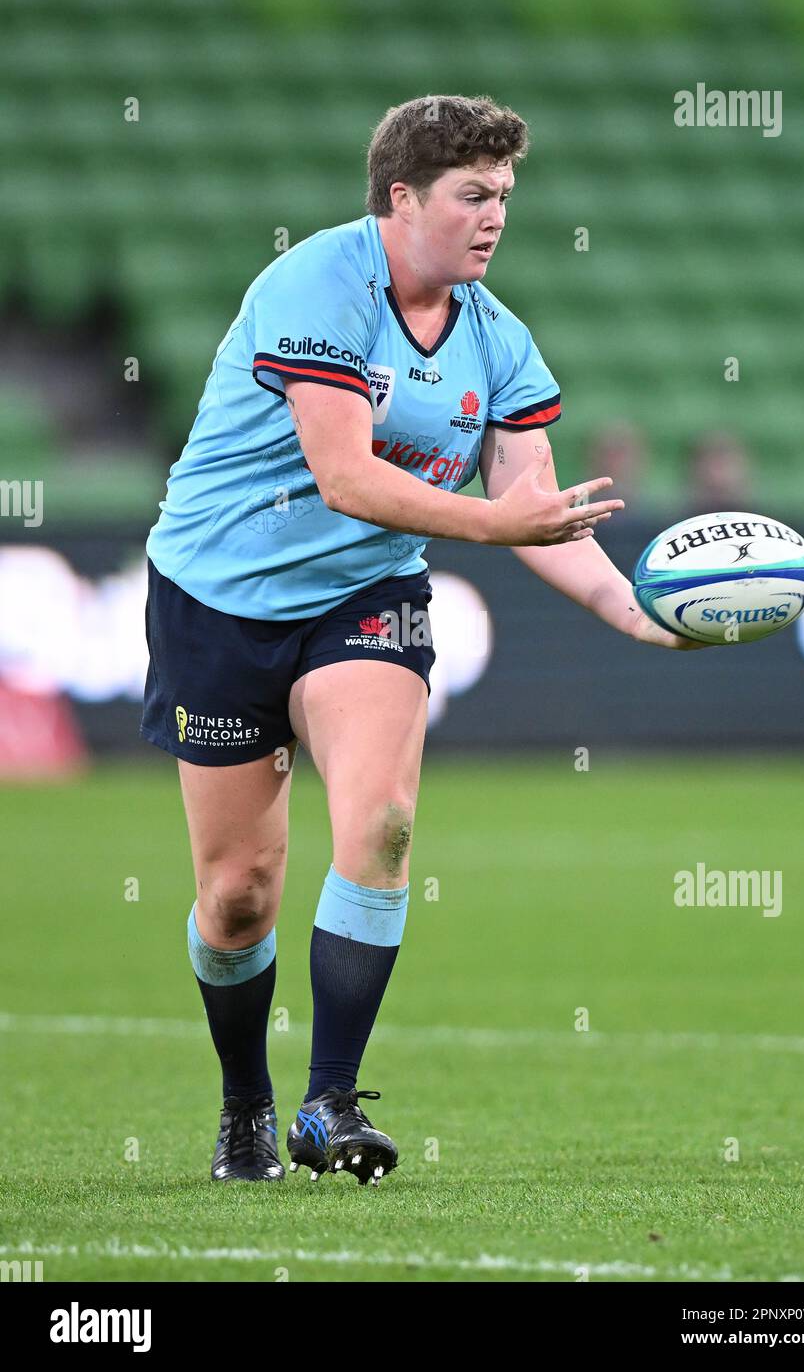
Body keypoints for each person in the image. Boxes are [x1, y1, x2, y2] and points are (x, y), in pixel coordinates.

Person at [140, 93, 695, 1189]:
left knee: (383, 825)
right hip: (218, 595)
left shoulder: (497, 336)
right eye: (471, 195)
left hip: (364, 595)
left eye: (504, 196)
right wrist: (498, 523)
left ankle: (326, 1104)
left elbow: (532, 500)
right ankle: (244, 1104)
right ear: (402, 197)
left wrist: (633, 609)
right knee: (239, 888)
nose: (494, 216)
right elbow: (349, 475)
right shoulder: (314, 285)